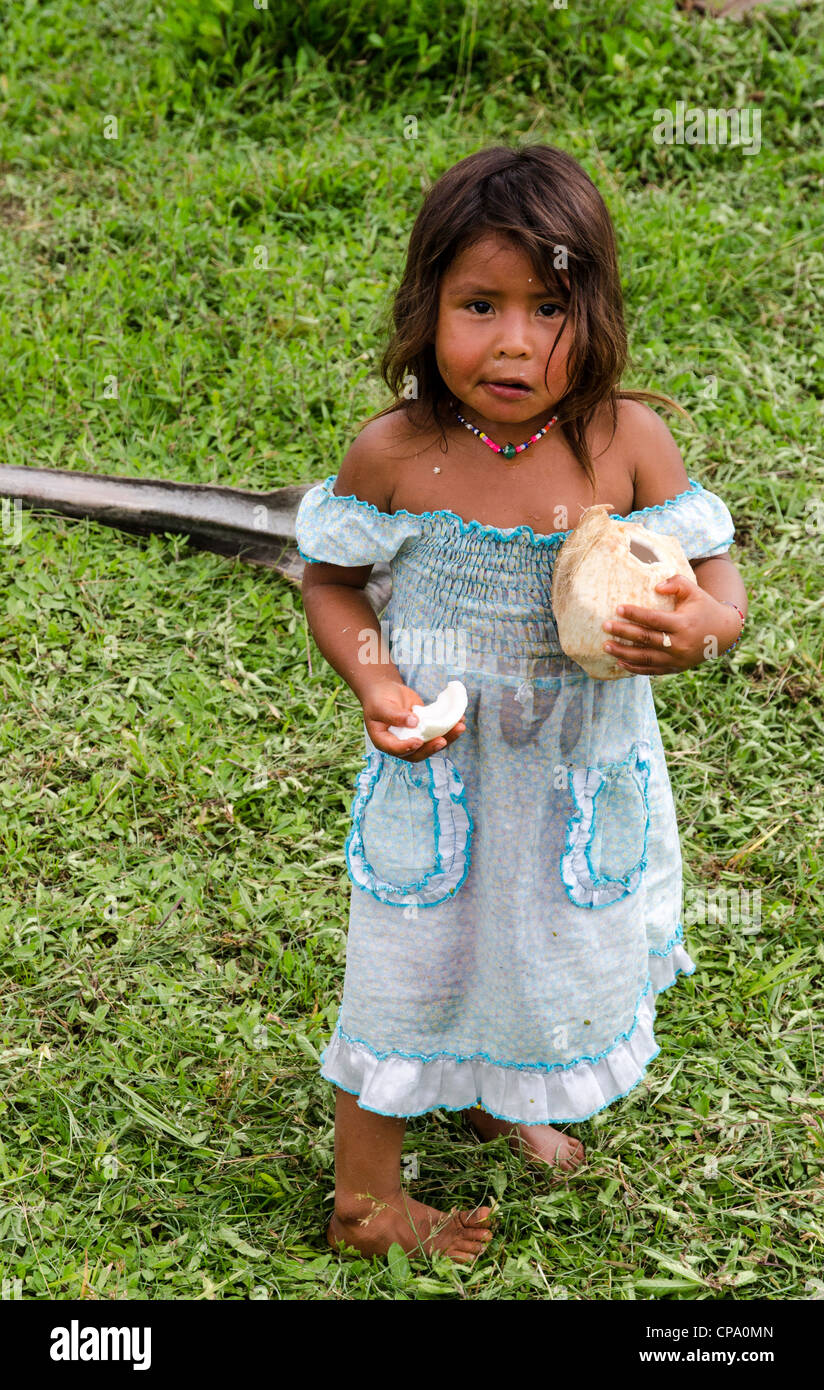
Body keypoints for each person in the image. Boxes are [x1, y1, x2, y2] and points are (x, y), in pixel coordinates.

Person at [295, 144, 748, 1265]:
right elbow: (332, 580)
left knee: (541, 948)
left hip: (573, 781)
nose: (509, 341)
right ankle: (366, 1200)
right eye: (476, 304)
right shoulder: (397, 455)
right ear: (425, 309)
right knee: (409, 963)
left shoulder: (622, 445)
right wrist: (377, 680)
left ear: (593, 313)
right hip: (439, 781)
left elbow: (716, 577)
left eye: (546, 306)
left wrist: (696, 630)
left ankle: (502, 1087)